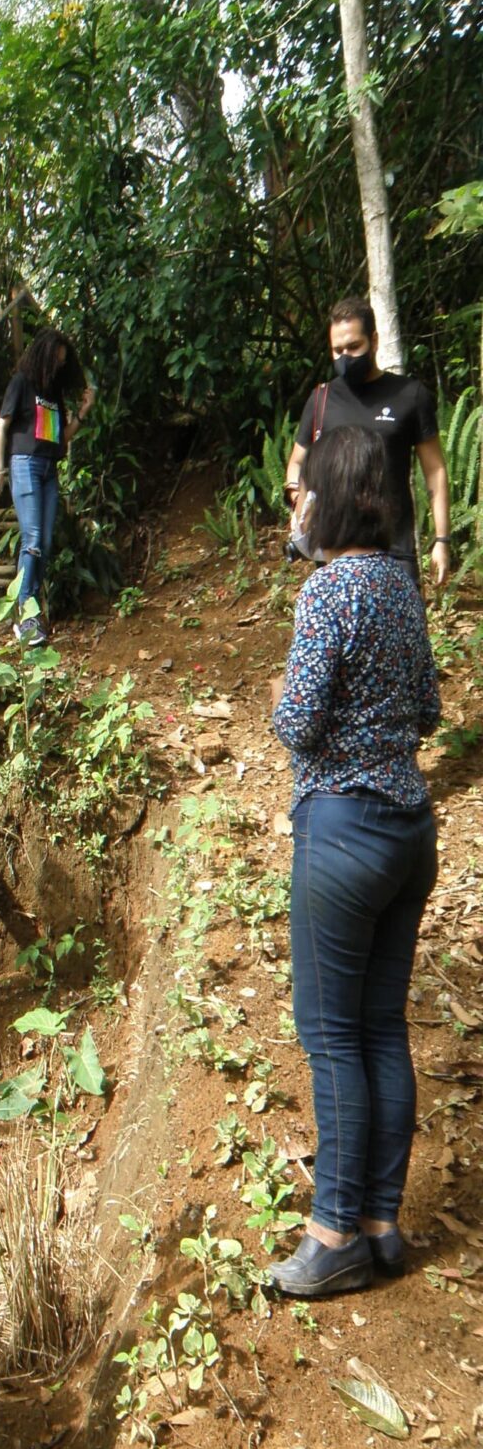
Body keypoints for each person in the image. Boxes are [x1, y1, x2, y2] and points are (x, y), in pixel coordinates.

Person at [267, 426, 440, 1298]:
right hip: (411, 828)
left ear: (325, 496)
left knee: (331, 1035)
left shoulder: (329, 592)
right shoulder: (401, 584)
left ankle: (333, 1231)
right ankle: (380, 1220)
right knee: (381, 1029)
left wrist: (283, 694)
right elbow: (430, 709)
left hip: (342, 834)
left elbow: (295, 720)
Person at [284, 295, 450, 588]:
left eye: (353, 347)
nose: (345, 357)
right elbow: (298, 461)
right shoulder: (320, 400)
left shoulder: (410, 395)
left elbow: (435, 470)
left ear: (373, 340)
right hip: (333, 557)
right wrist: (298, 500)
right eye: (337, 350)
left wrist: (441, 539)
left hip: (395, 554)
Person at [0, 328, 94, 646]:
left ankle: (32, 610)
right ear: (44, 357)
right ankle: (26, 615)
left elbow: (61, 439)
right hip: (25, 465)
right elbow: (1, 426)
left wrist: (84, 413)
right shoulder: (21, 383)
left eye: (64, 364)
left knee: (44, 542)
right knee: (32, 538)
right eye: (56, 361)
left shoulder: (53, 395)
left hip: (49, 469)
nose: (59, 367)